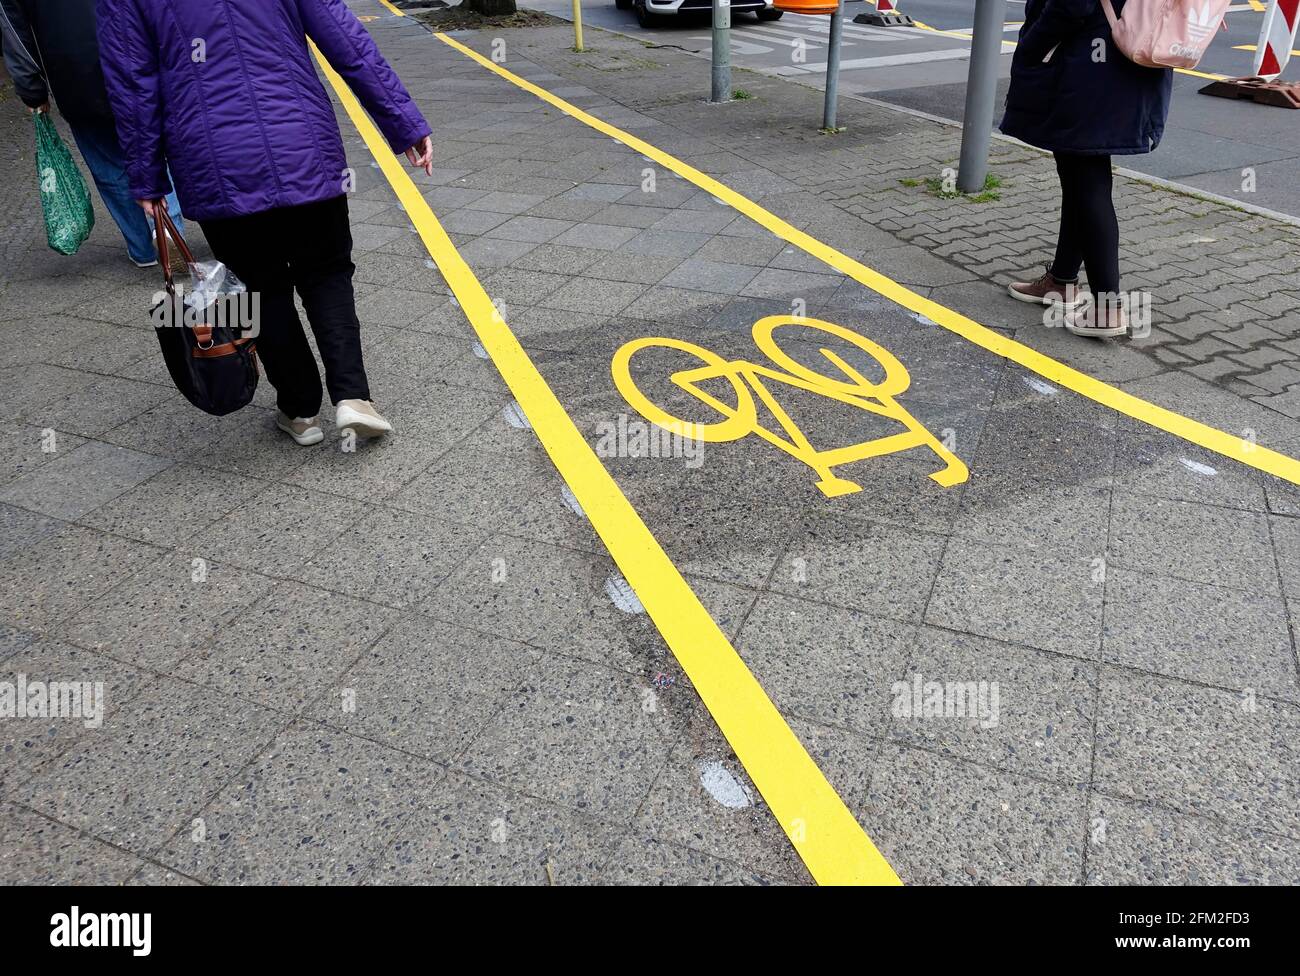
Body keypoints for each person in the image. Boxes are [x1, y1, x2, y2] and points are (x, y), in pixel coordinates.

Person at [96, 0, 434, 443]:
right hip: (301, 142)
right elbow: (346, 40)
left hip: (214, 160)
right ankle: (353, 397)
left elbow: (133, 84)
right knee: (327, 272)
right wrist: (404, 123)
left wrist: (146, 178)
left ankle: (299, 410)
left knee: (257, 287)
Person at [1000, 0, 1172, 339]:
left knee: (1086, 179)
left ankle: (1107, 308)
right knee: (1081, 174)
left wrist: (1032, 46)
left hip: (1091, 64)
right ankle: (1062, 281)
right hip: (1127, 54)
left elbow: (1073, 5)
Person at [1, 0, 183, 267]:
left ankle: (143, 249)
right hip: (134, 54)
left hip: (74, 72)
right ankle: (169, 230)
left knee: (108, 162)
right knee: (155, 149)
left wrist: (32, 89)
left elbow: (14, 30)